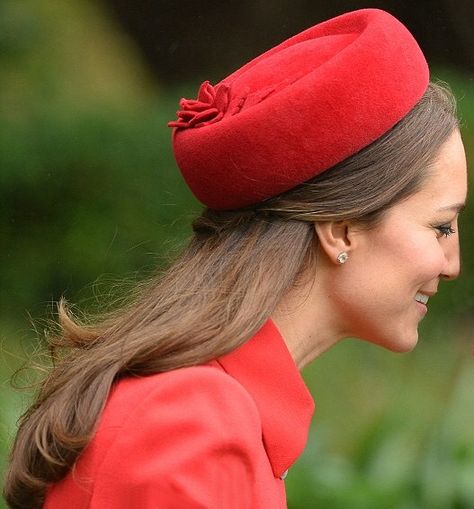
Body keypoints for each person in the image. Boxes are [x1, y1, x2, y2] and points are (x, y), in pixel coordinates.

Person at [3, 8, 468, 509]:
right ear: (341, 230)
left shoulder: (216, 413)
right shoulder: (195, 426)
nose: (453, 262)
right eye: (440, 226)